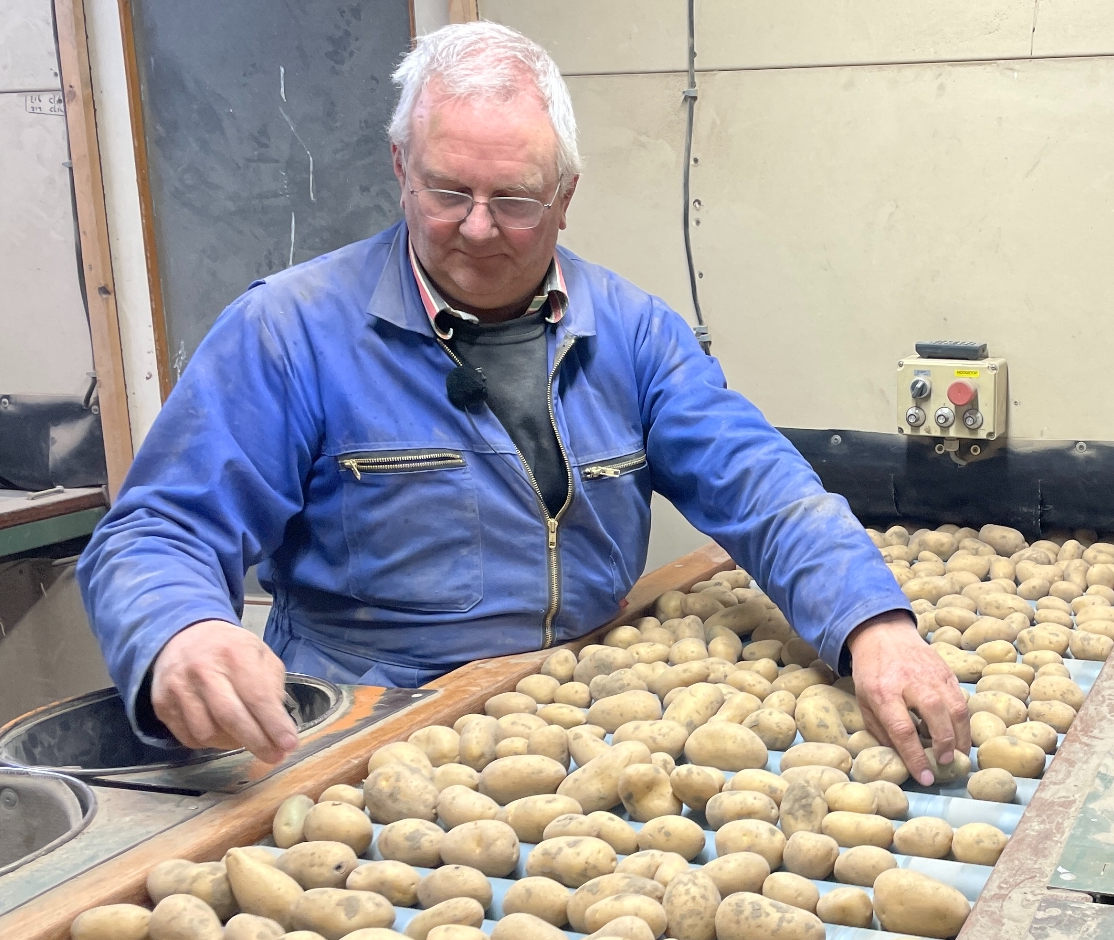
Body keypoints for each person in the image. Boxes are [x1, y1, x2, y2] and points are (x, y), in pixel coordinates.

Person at [78, 21, 967, 781]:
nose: (474, 226)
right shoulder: (289, 330)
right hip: (364, 732)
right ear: (400, 167)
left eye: (513, 200)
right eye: (446, 191)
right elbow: (158, 529)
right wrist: (180, 631)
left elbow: (764, 490)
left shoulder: (633, 332)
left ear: (567, 197)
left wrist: (872, 623)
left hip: (579, 708)